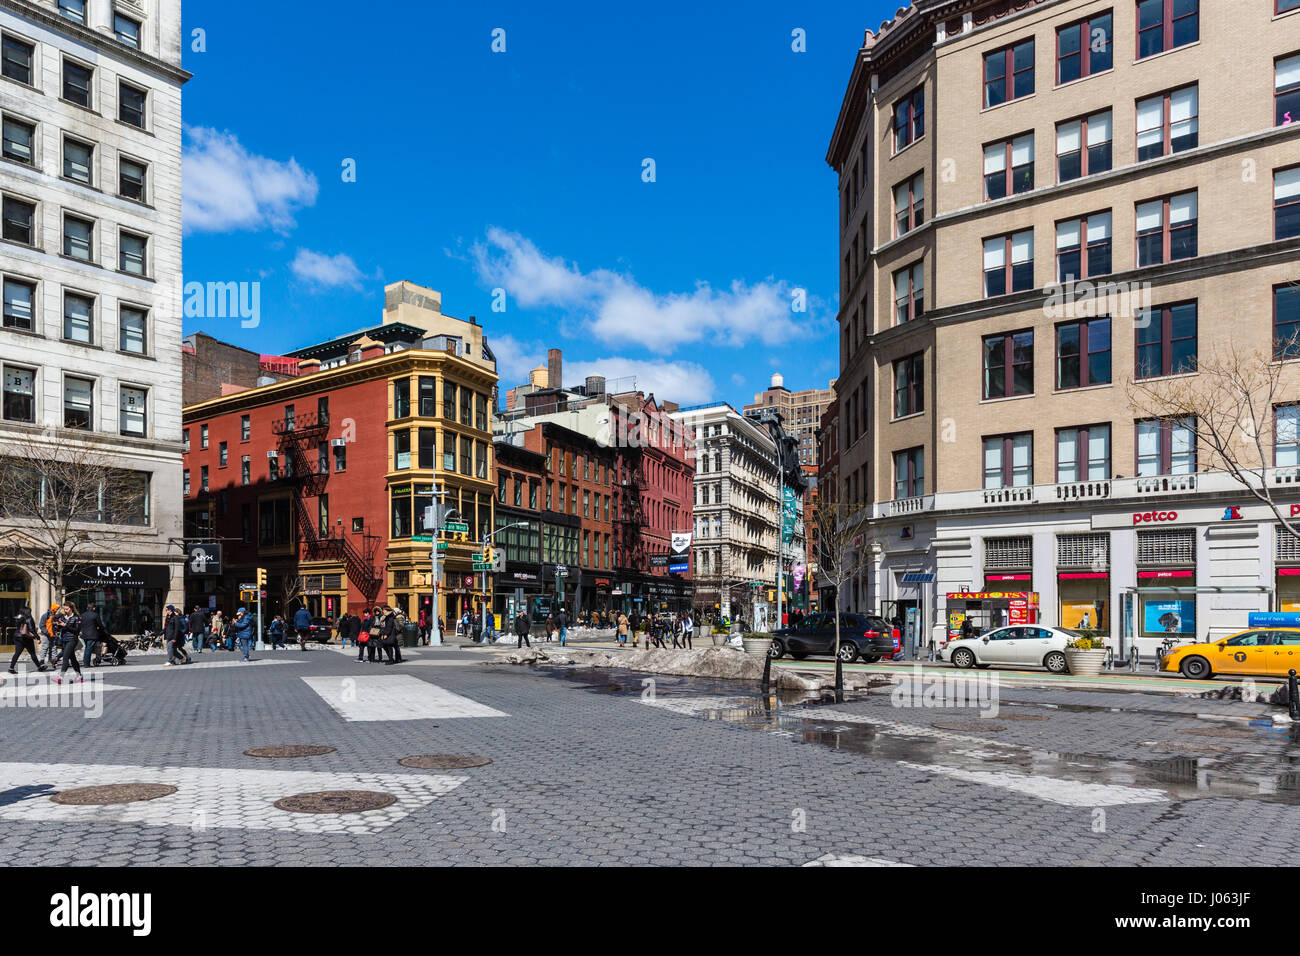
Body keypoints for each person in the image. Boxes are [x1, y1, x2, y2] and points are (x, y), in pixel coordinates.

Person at [52, 602, 84, 683]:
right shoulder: (63, 617)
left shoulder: (77, 618)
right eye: (64, 609)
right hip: (64, 639)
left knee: (65, 657)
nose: (65, 611)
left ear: (71, 608)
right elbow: (60, 628)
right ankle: (79, 676)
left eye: (67, 609)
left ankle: (60, 677)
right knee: (73, 659)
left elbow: (76, 631)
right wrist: (57, 625)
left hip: (72, 640)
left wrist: (65, 626)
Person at [8, 606, 45, 674]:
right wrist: (38, 637)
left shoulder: (19, 617)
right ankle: (39, 667)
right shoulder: (29, 618)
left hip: (17, 636)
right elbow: (31, 629)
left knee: (17, 653)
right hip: (26, 638)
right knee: (32, 653)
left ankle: (11, 668)